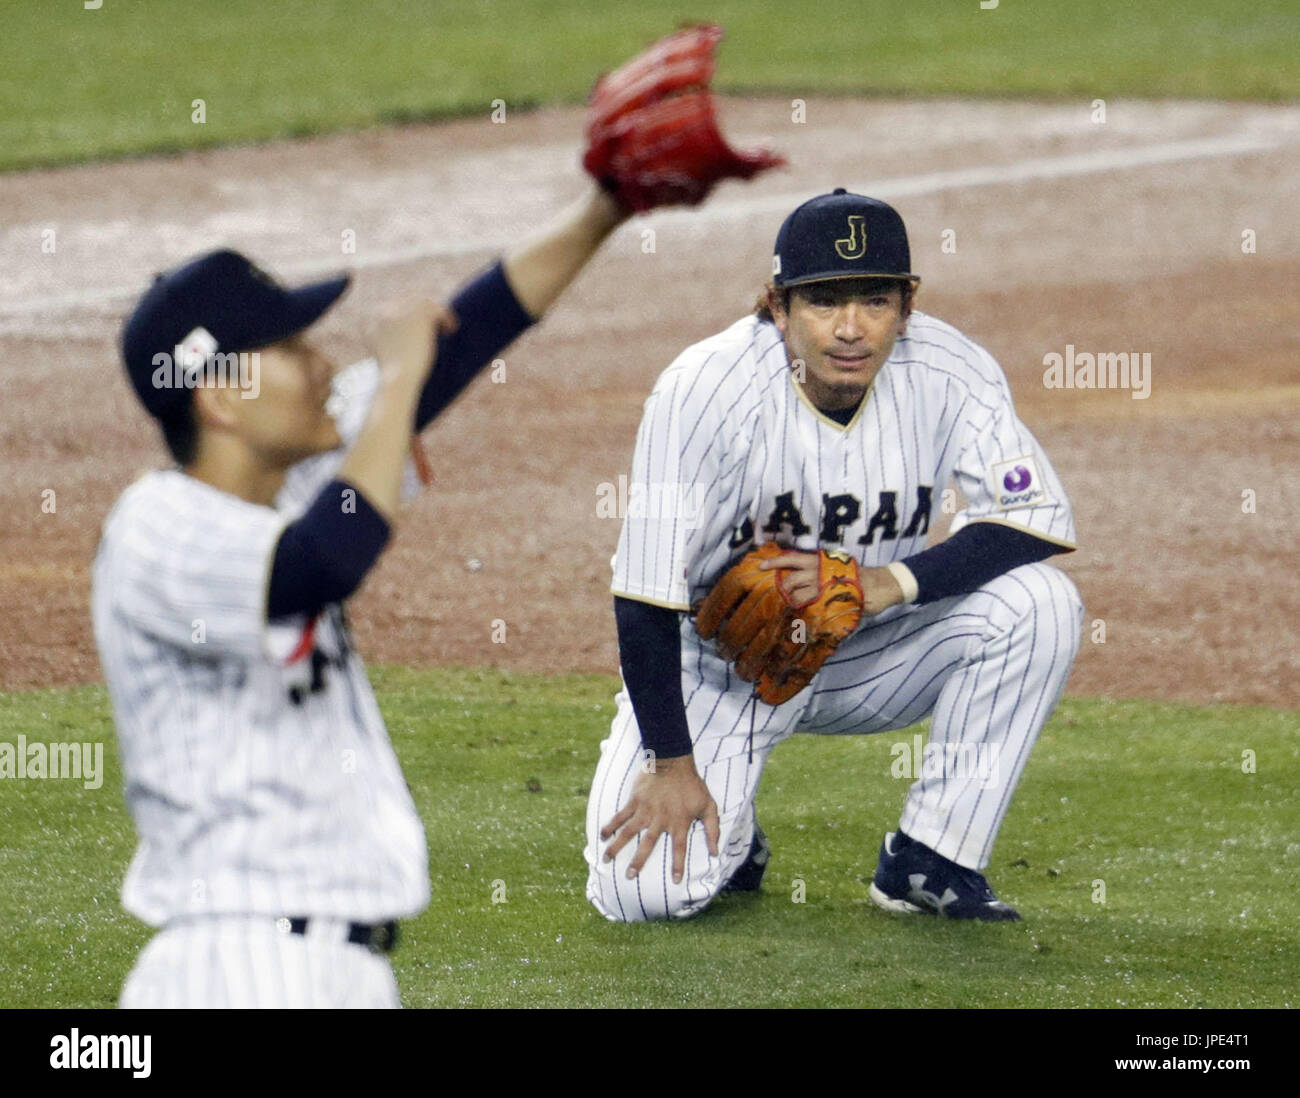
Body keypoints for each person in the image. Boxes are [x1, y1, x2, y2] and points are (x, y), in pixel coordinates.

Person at [94, 180, 634, 1007]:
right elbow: (318, 567)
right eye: (292, 347)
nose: (321, 365)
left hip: (329, 969)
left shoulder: (280, 485)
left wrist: (607, 209)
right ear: (221, 394)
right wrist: (393, 385)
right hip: (240, 971)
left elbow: (459, 344)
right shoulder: (157, 528)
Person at [585, 188, 1084, 923]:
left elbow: (1037, 516)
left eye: (875, 301)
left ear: (906, 306)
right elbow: (642, 591)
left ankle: (932, 854)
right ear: (778, 307)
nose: (851, 328)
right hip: (725, 668)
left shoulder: (951, 371)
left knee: (1042, 605)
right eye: (823, 302)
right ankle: (737, 833)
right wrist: (672, 764)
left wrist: (889, 582)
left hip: (870, 652)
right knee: (642, 896)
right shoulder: (702, 388)